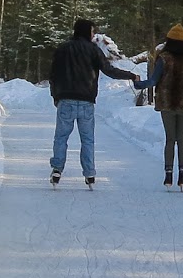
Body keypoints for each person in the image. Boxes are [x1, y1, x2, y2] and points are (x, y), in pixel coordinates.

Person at [49, 19, 138, 187]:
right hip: (86, 101)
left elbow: (53, 74)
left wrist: (56, 95)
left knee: (61, 137)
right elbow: (109, 70)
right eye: (92, 31)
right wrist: (131, 75)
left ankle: (57, 169)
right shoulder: (93, 50)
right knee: (87, 139)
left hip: (66, 100)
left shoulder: (62, 49)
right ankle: (89, 174)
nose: (93, 35)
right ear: (86, 32)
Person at [148, 23, 183, 188]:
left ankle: (168, 175)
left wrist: (138, 84)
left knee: (170, 140)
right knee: (182, 140)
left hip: (167, 104)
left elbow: (153, 80)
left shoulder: (164, 59)